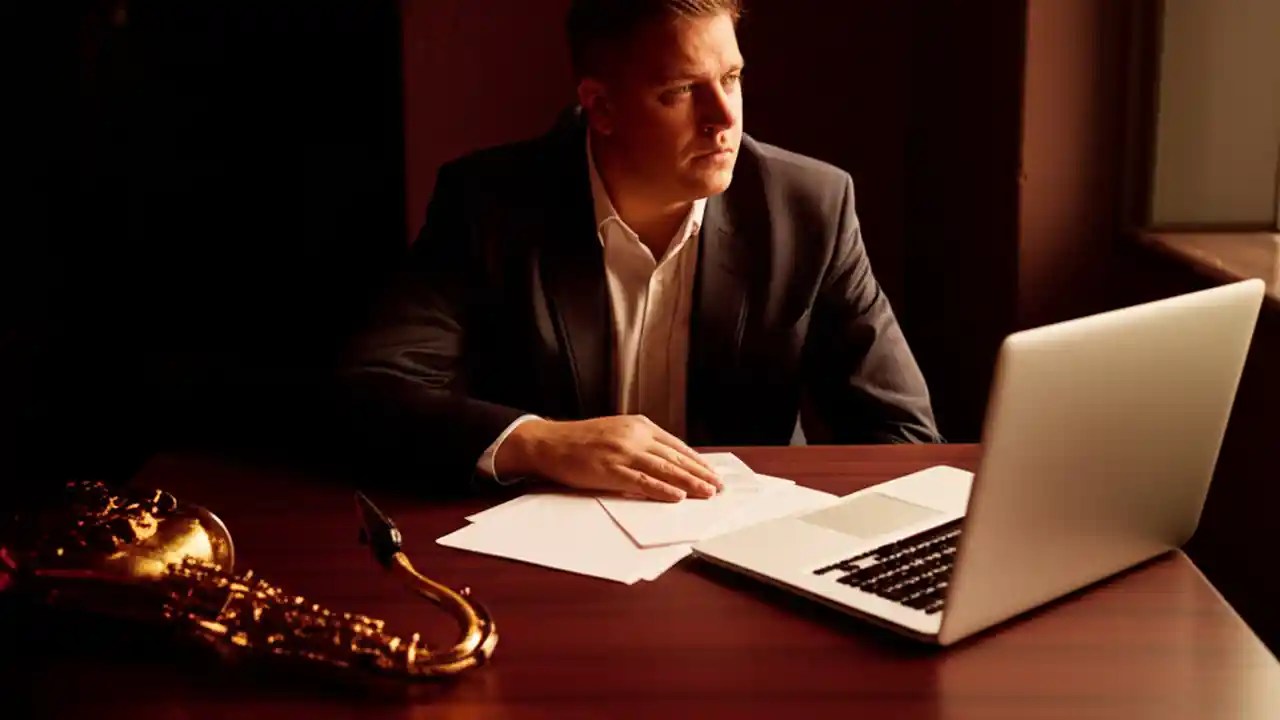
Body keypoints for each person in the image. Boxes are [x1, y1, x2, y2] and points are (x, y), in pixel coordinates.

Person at [341, 0, 940, 502]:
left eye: (730, 78)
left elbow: (904, 434)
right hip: (551, 559)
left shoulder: (808, 207)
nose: (723, 117)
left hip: (746, 549)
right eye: (681, 90)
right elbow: (372, 390)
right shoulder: (489, 204)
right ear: (600, 108)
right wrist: (541, 441)